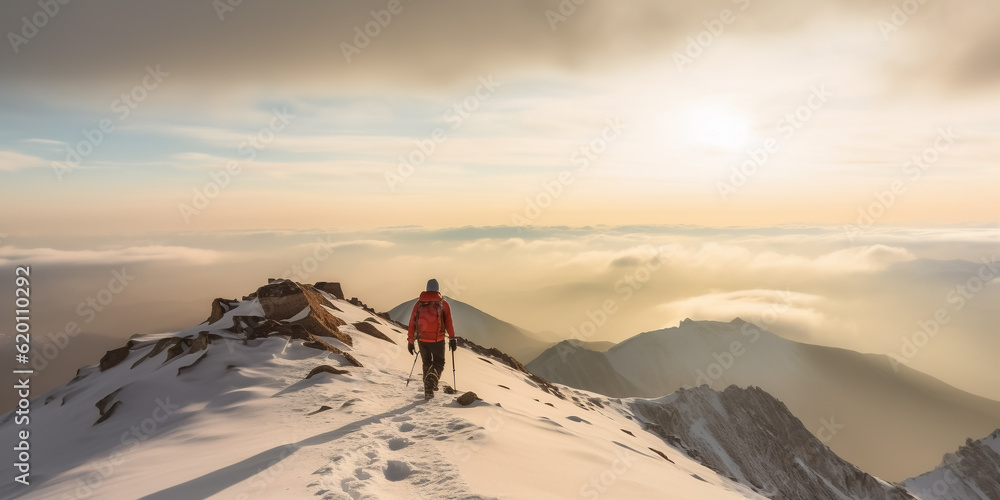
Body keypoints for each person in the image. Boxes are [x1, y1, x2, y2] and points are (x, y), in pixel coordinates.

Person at [407, 279, 457, 400]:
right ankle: (432, 380)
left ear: (427, 288)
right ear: (437, 289)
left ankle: (428, 390)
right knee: (439, 363)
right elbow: (448, 322)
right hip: (437, 339)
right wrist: (452, 338)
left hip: (422, 339)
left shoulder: (418, 304)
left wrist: (410, 341)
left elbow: (412, 323)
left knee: (427, 363)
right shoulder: (443, 304)